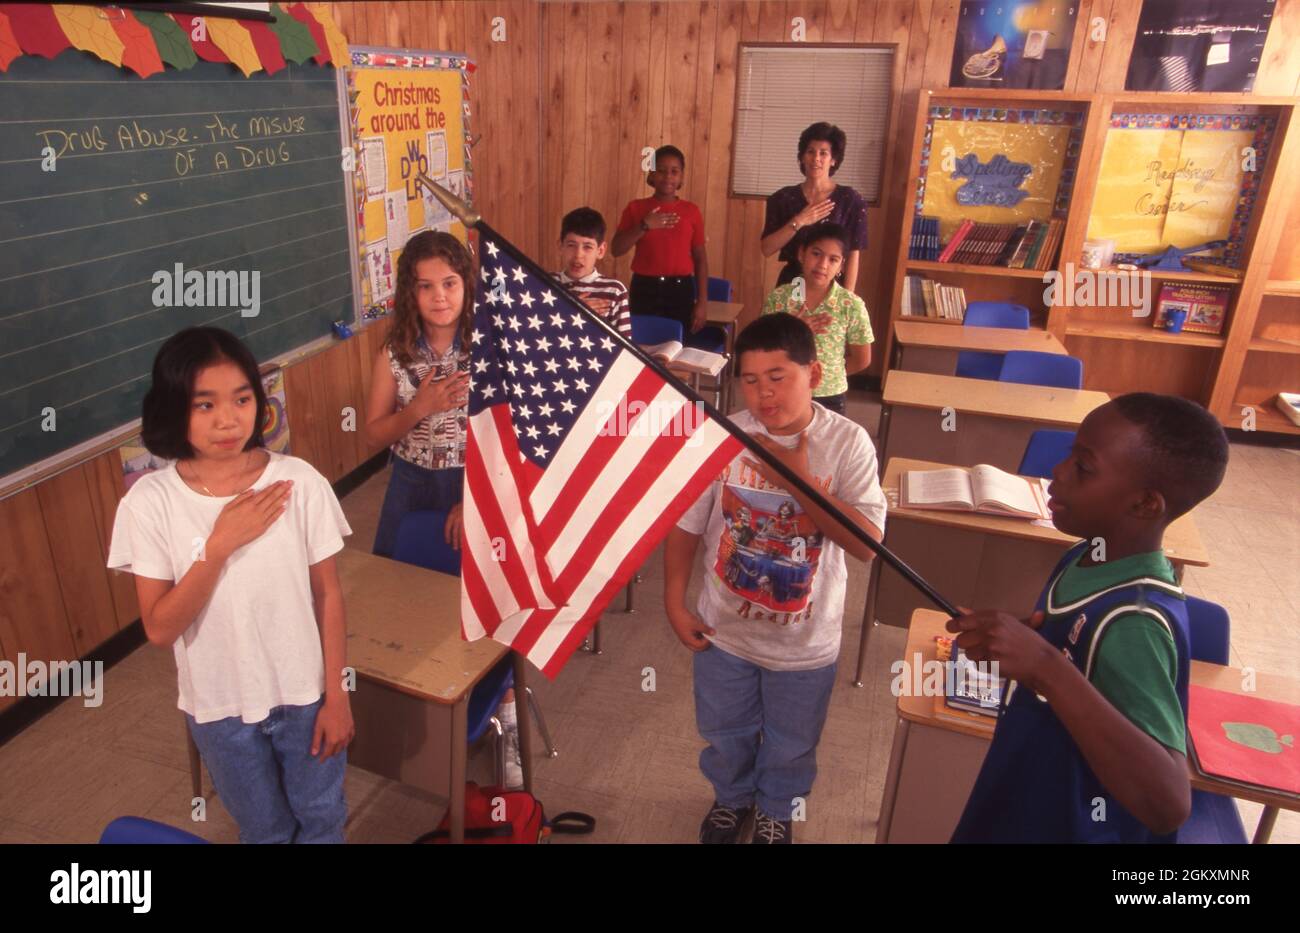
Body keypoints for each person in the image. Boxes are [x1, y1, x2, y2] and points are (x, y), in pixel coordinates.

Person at [107, 327, 353, 843]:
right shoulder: (149, 503)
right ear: (174, 410)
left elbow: (327, 593)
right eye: (204, 405)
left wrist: (338, 694)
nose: (228, 419)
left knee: (322, 816)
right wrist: (217, 547)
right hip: (219, 709)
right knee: (264, 830)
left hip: (304, 695)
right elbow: (159, 626)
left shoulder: (298, 481)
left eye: (242, 399)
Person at [948, 393, 1231, 843]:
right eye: (1069, 455)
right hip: (1026, 795)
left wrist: (1045, 666)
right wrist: (1025, 642)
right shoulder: (1086, 554)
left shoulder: (1134, 622)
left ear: (1144, 505)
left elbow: (1167, 803)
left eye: (1083, 466)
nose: (1058, 472)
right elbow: (1076, 657)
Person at [664, 313, 886, 844]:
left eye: (778, 376)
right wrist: (675, 600)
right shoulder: (722, 436)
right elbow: (688, 523)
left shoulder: (848, 444)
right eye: (750, 379)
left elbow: (865, 546)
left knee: (792, 741)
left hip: (805, 642)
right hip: (725, 631)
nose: (764, 393)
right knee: (725, 731)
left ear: (813, 372)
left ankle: (776, 810)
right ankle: (733, 798)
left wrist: (800, 481)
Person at [364, 230, 472, 560]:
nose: (439, 296)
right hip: (411, 480)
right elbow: (372, 435)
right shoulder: (394, 352)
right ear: (411, 293)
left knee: (470, 585)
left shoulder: (491, 348)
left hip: (473, 480)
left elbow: (510, 436)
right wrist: (419, 408)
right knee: (397, 577)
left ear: (466, 284)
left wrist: (474, 498)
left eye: (449, 283)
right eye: (425, 286)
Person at [760, 223, 872, 415]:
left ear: (841, 266)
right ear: (801, 254)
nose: (822, 265)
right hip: (783, 390)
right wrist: (794, 332)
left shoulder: (851, 305)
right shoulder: (779, 298)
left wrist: (830, 375)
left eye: (833, 259)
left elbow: (862, 359)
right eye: (816, 254)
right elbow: (761, 348)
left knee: (825, 445)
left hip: (830, 396)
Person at [611, 144, 709, 335]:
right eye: (661, 171)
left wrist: (702, 302)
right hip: (644, 288)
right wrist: (644, 225)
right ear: (652, 175)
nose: (668, 177)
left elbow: (700, 259)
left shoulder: (691, 211)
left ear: (681, 177)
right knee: (641, 346)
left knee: (676, 346)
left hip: (681, 290)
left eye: (674, 171)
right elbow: (616, 249)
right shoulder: (636, 208)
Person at [760, 122, 869, 290]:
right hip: (793, 283)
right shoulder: (783, 198)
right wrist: (799, 220)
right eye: (810, 151)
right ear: (802, 157)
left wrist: (848, 299)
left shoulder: (851, 201)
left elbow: (854, 253)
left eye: (823, 153)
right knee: (789, 318)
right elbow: (767, 248)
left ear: (833, 160)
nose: (816, 158)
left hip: (833, 285)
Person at [555, 206, 632, 338]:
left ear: (600, 251)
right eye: (571, 245)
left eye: (587, 247)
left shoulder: (614, 290)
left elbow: (624, 346)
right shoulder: (544, 283)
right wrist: (571, 312)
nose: (578, 255)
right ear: (560, 246)